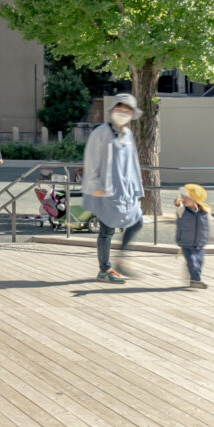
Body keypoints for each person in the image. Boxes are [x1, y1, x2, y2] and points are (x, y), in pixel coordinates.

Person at [82, 93, 145, 284]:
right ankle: (105, 269)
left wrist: (137, 188)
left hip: (125, 190)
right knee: (107, 229)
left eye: (127, 110)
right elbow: (91, 160)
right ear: (112, 111)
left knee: (137, 222)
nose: (123, 113)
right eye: (120, 109)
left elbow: (133, 162)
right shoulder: (101, 132)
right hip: (106, 189)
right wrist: (95, 186)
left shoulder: (128, 134)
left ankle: (119, 260)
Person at [173, 182, 214, 290]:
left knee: (199, 262)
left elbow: (210, 223)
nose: (183, 199)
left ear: (195, 198)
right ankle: (196, 280)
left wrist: (212, 234)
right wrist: (177, 204)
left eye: (186, 197)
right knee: (192, 261)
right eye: (182, 197)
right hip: (186, 242)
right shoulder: (183, 211)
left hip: (200, 242)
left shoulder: (205, 211)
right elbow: (179, 206)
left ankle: (194, 280)